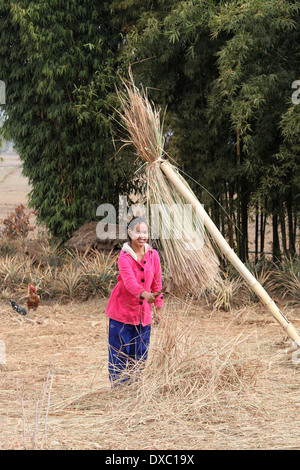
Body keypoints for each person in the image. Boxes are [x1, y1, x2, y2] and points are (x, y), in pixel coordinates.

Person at [105, 216, 164, 386]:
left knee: (139, 354)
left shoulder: (153, 255)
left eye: (145, 232)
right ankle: (118, 390)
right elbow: (129, 282)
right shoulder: (124, 257)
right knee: (119, 354)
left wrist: (158, 307)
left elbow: (157, 281)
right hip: (121, 313)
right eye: (138, 232)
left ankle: (134, 388)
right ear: (130, 233)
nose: (142, 236)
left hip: (143, 316)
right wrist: (146, 295)